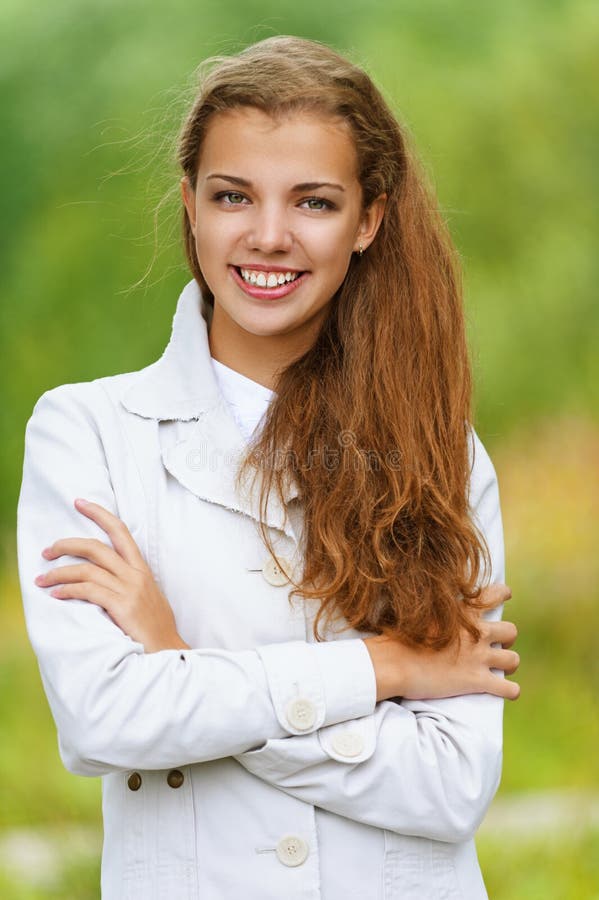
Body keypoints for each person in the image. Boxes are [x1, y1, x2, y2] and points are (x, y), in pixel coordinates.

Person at [17, 35, 520, 900]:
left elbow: (448, 785)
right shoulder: (89, 432)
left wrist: (178, 661)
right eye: (232, 196)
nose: (268, 235)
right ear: (190, 206)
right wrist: (382, 671)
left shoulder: (441, 451)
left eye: (314, 202)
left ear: (369, 221)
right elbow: (106, 721)